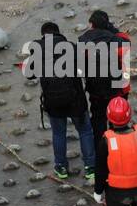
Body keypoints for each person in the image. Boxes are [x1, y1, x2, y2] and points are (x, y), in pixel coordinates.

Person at [23, 22, 95, 182]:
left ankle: (61, 167)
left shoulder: (37, 50)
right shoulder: (70, 47)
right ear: (58, 32)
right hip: (75, 99)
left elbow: (29, 74)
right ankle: (90, 168)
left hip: (53, 101)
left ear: (43, 35)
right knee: (85, 131)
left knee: (58, 133)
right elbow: (84, 68)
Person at [79, 9, 131, 148]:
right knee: (116, 118)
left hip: (95, 88)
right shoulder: (116, 40)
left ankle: (101, 145)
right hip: (116, 88)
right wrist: (113, 29)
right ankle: (117, 143)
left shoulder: (82, 40)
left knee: (98, 118)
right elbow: (126, 44)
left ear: (91, 24)